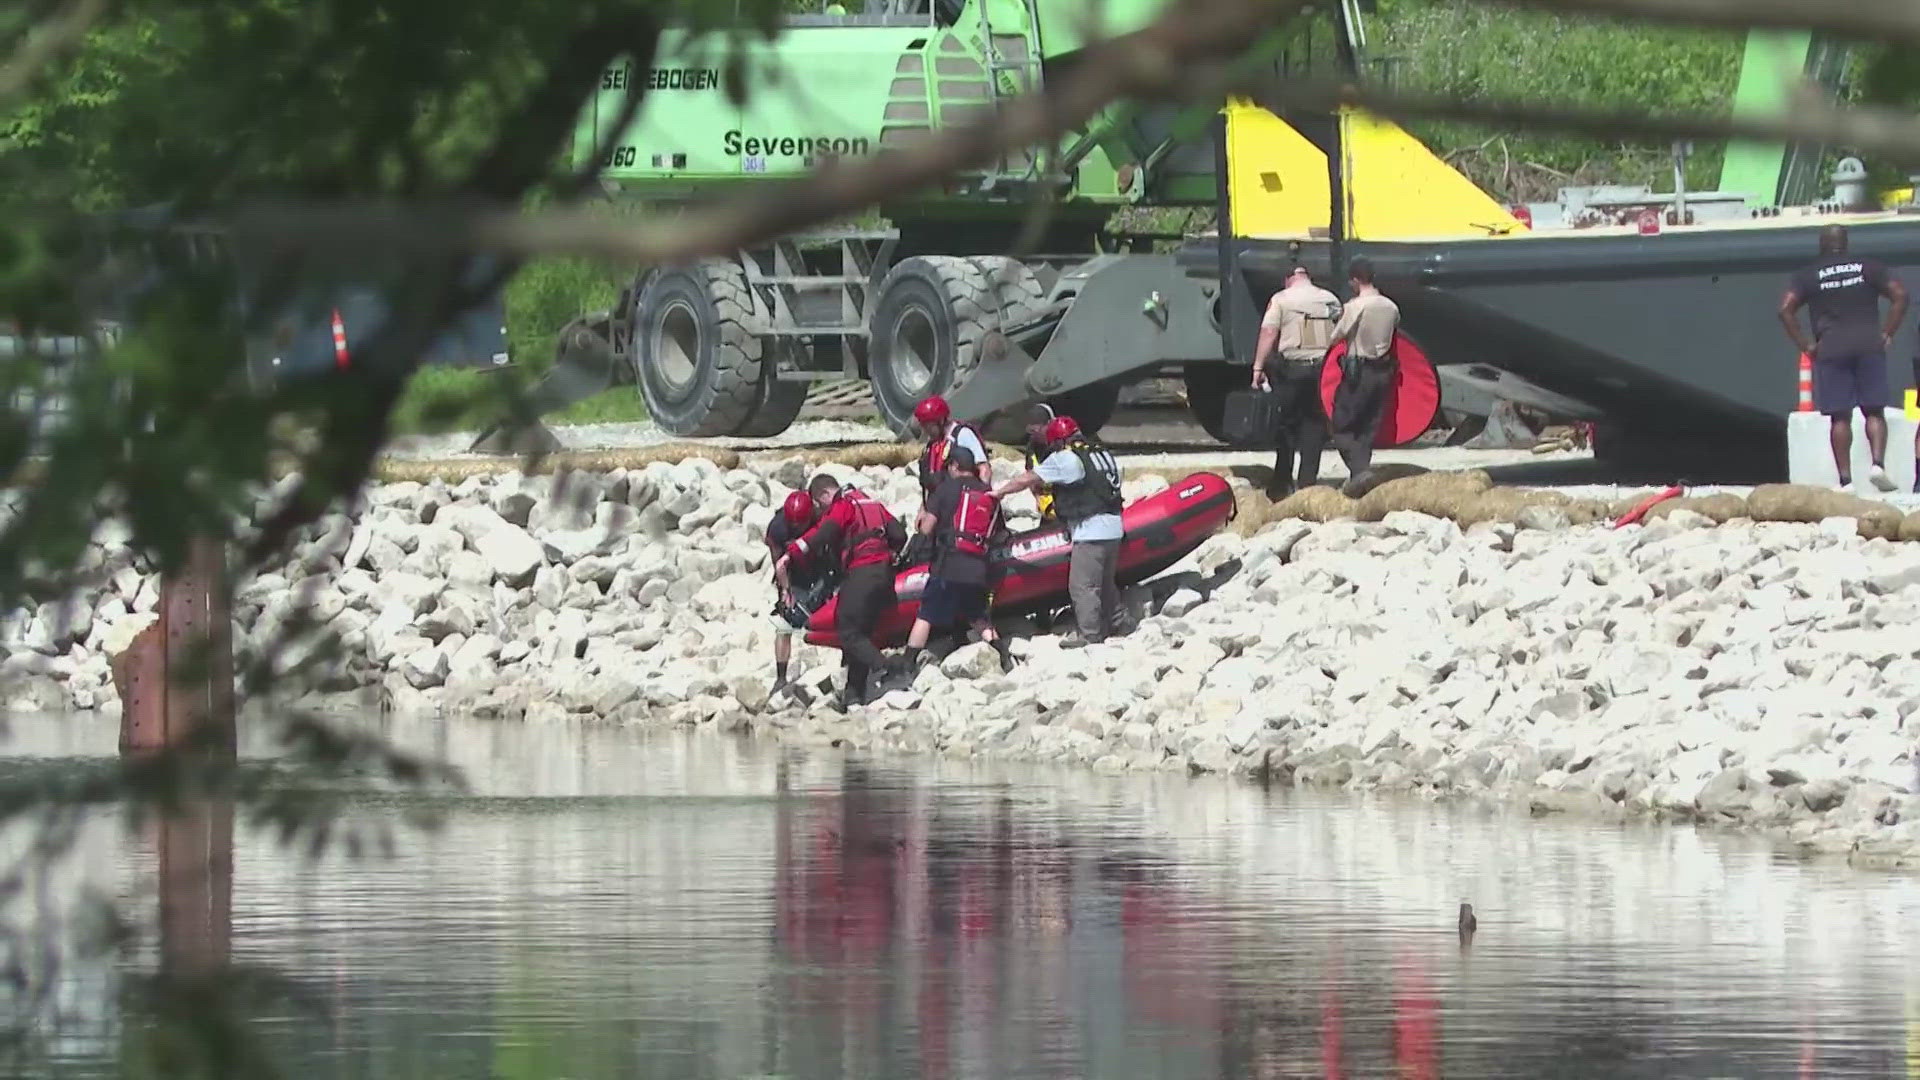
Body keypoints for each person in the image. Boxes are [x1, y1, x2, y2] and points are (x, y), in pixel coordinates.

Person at [1780, 224, 1907, 491]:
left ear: (1822, 245)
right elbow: (1900, 295)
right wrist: (1887, 332)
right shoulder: (1867, 267)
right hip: (1868, 343)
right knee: (1874, 409)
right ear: (1846, 244)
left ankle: (1845, 480)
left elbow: (1785, 310)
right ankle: (1877, 465)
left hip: (1831, 347)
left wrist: (1806, 345)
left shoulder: (1809, 275)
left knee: (1840, 417)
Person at [775, 473, 907, 710]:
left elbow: (824, 534)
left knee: (846, 630)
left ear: (825, 494)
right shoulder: (872, 504)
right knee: (862, 632)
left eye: (819, 504)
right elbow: (899, 534)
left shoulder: (843, 505)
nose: (821, 510)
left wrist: (792, 552)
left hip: (863, 572)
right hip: (884, 572)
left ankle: (888, 665)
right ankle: (854, 694)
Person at [994, 415, 1127, 647]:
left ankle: (1089, 634)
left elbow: (1029, 478)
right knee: (1105, 582)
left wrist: (1001, 492)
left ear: (1057, 441)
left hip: (1090, 531)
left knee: (1082, 586)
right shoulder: (1100, 452)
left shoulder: (1066, 459)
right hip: (1115, 527)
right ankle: (1119, 622)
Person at [892, 446, 1012, 682]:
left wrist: (916, 545)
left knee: (926, 614)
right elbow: (998, 533)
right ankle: (1002, 653)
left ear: (955, 466)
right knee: (978, 615)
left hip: (948, 564)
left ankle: (908, 663)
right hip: (977, 566)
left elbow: (927, 527)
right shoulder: (988, 494)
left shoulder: (945, 490)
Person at [1250, 263, 1341, 499]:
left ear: (1288, 278)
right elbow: (1341, 333)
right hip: (1323, 372)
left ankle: (1281, 484)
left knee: (1286, 426)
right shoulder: (1330, 299)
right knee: (1315, 427)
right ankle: (1308, 484)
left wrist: (1258, 366)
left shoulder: (1282, 299)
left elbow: (1269, 332)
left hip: (1292, 370)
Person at [1324, 256, 1401, 496]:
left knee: (1343, 425)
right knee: (1369, 425)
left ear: (1356, 280)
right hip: (1384, 370)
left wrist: (1337, 319)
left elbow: (1336, 336)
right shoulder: (1391, 306)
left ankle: (1359, 471)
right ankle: (1361, 478)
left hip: (1359, 370)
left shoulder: (1356, 306)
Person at [765, 489, 825, 694]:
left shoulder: (821, 518)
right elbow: (777, 561)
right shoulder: (778, 528)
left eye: (801, 524)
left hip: (822, 567)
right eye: (794, 524)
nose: (797, 528)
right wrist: (785, 590)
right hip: (792, 572)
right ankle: (780, 677)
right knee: (783, 623)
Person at [913, 395, 991, 505]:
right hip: (941, 503)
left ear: (940, 421)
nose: (925, 431)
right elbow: (930, 485)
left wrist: (982, 496)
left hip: (964, 500)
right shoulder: (933, 444)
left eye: (928, 426)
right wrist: (924, 509)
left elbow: (984, 468)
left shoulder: (963, 434)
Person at [1022, 403, 1059, 523]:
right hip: (1046, 510)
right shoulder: (1032, 447)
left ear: (1049, 425)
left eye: (1037, 430)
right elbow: (1029, 473)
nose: (1035, 435)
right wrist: (1038, 497)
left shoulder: (1062, 446)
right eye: (1031, 431)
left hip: (1067, 508)